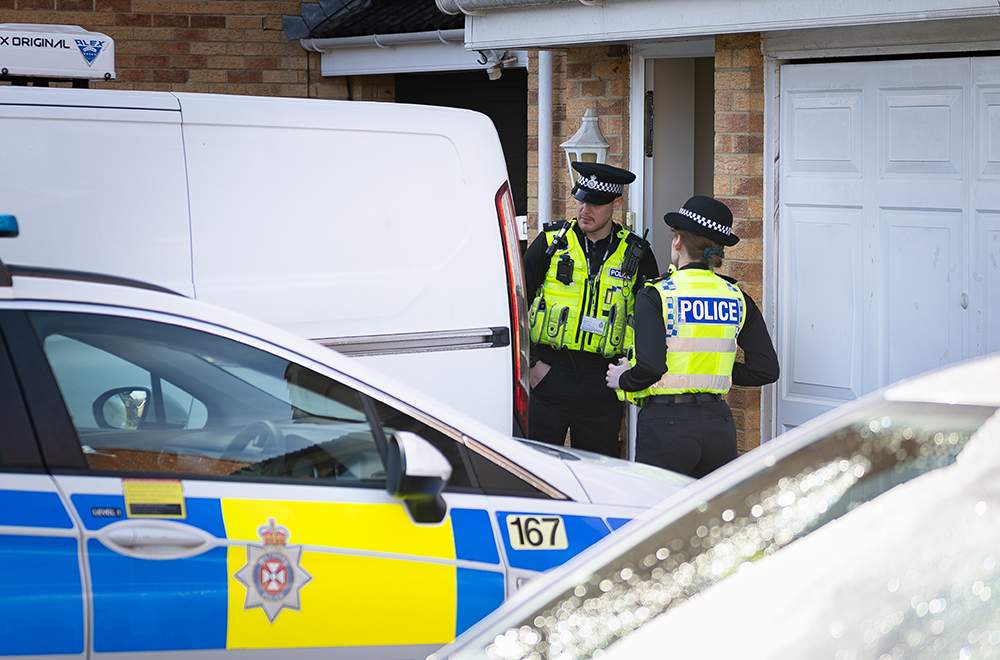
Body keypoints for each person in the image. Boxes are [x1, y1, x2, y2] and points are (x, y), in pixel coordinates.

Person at [606, 195, 779, 477]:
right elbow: (766, 369)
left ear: (678, 241)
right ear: (717, 251)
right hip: (719, 426)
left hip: (666, 426)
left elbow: (651, 366)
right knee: (711, 519)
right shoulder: (737, 297)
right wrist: (715, 370)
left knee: (658, 514)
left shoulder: (657, 294)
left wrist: (622, 379)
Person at [524, 161, 658, 457]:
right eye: (581, 200)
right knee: (535, 465)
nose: (585, 210)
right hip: (550, 371)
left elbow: (650, 321)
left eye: (596, 203)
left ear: (616, 203)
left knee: (599, 469)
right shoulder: (551, 243)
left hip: (603, 378)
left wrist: (629, 370)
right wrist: (532, 363)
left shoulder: (636, 254)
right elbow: (517, 300)